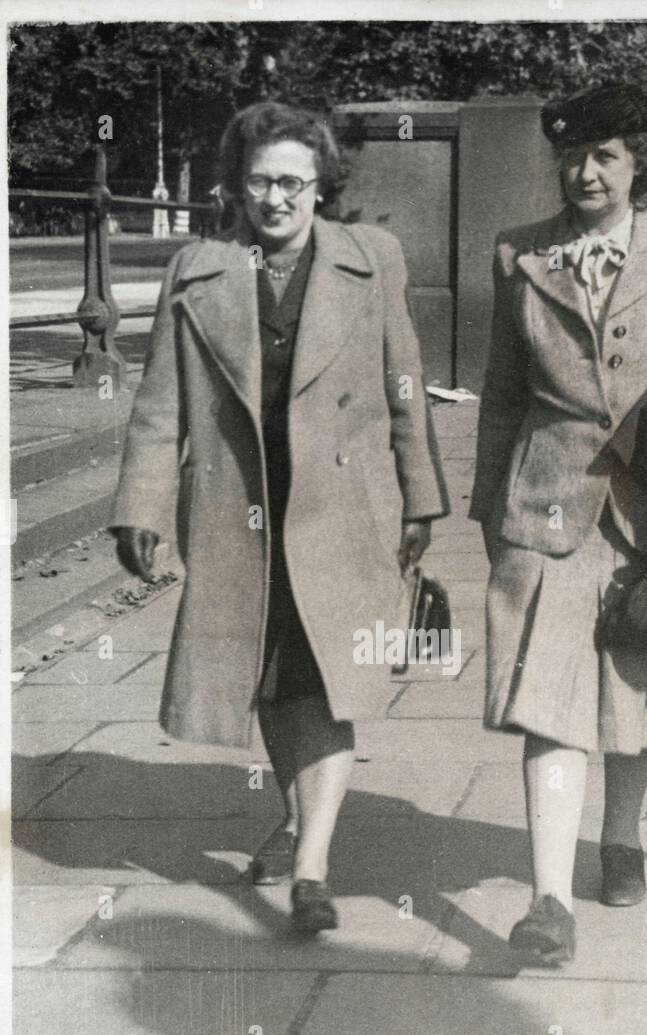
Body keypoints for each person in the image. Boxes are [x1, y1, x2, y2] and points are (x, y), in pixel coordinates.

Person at [111, 100, 449, 934]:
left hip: (341, 504)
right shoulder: (199, 269)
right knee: (265, 681)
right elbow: (160, 406)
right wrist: (140, 509)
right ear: (237, 185)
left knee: (327, 682)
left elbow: (405, 384)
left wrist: (422, 496)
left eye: (292, 181)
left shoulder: (372, 261)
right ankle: (300, 818)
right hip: (238, 507)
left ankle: (310, 866)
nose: (275, 199)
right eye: (259, 181)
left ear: (320, 185)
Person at [469, 82, 647, 963]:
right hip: (547, 502)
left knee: (634, 696)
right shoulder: (518, 254)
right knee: (548, 700)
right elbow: (502, 399)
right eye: (573, 157)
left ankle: (620, 839)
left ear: (637, 166)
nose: (585, 174)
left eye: (606, 158)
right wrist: (490, 509)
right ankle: (549, 903)